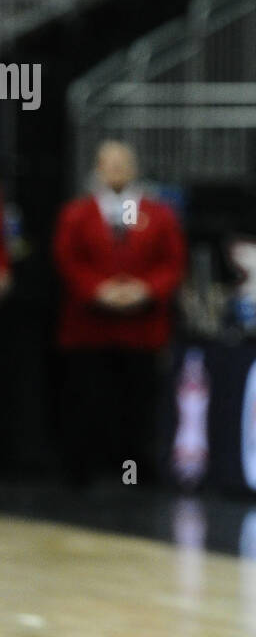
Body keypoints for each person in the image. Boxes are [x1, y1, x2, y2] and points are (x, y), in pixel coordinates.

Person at [53, 141, 186, 488]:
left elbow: (172, 263)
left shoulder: (159, 215)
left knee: (139, 404)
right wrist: (100, 290)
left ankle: (138, 474)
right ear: (97, 168)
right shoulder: (77, 214)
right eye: (109, 164)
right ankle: (81, 474)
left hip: (141, 330)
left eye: (122, 164)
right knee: (87, 399)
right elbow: (68, 260)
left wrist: (143, 290)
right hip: (89, 328)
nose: (116, 171)